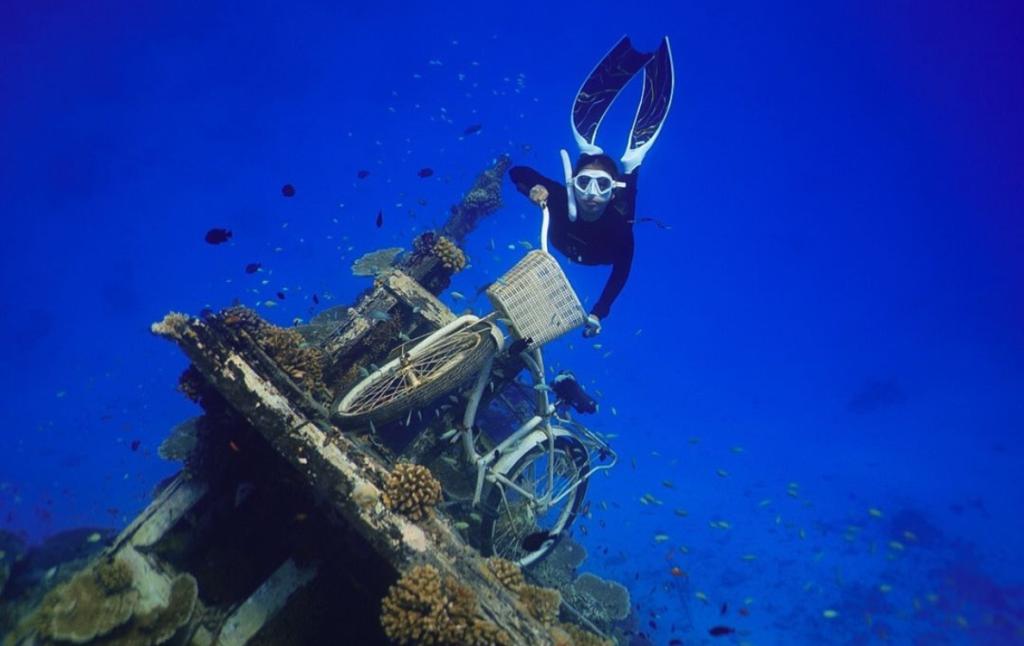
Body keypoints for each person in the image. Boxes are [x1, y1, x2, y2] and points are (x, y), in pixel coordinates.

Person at [509, 36, 675, 337]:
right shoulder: (559, 197)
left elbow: (620, 273)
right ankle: (604, 159)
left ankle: (630, 168)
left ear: (609, 191)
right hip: (569, 236)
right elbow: (518, 172)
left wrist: (599, 312)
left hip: (604, 239)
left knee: (625, 202)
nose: (591, 195)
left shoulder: (619, 230)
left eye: (602, 186)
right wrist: (532, 188)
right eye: (584, 182)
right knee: (600, 183)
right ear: (574, 182)